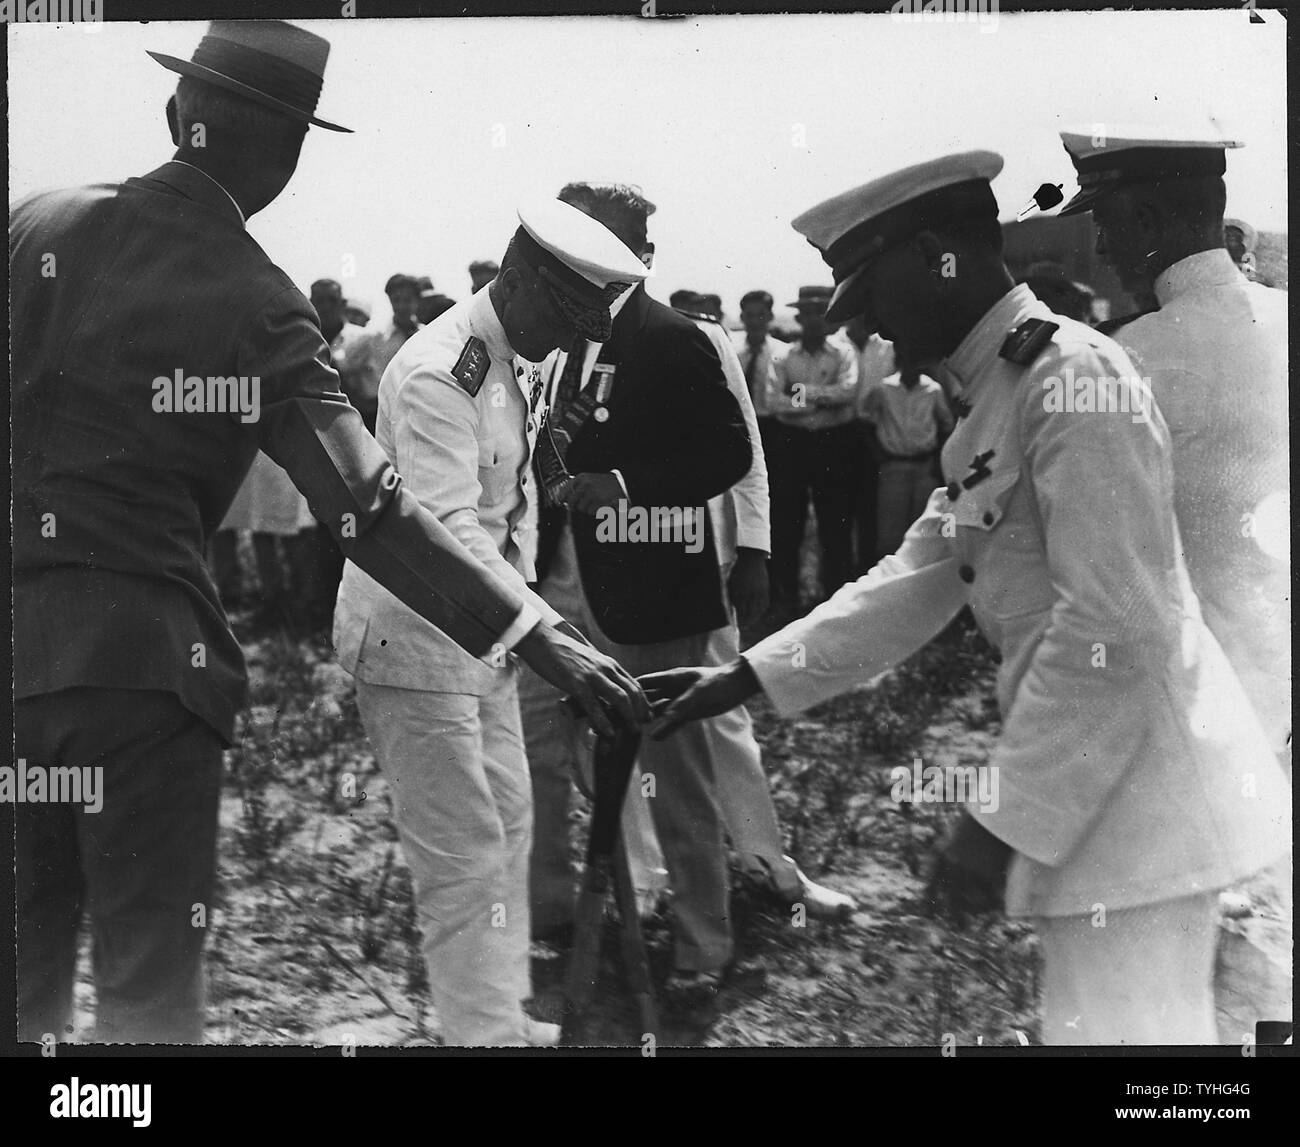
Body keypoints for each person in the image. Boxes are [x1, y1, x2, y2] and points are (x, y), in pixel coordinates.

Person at [9, 20, 646, 1046]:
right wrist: (542, 637)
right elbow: (371, 512)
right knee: (146, 991)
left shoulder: (33, 223)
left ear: (178, 114)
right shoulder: (258, 301)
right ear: (290, 157)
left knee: (21, 964)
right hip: (141, 676)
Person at [642, 150, 1290, 1045]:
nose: (864, 322)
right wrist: (742, 678)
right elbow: (919, 574)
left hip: (1146, 808)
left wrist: (999, 823)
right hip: (1109, 800)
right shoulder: (1003, 391)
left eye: (870, 288)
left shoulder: (1073, 379)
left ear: (941, 251)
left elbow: (1118, 625)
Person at [334, 198, 650, 1046]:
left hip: (489, 633)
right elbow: (447, 526)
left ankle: (499, 1016)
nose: (574, 338)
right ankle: (480, 1035)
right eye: (567, 314)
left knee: (510, 824)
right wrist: (548, 637)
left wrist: (541, 622)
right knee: (461, 853)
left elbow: (515, 498)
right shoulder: (444, 368)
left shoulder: (523, 349)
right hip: (415, 636)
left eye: (591, 324)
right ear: (518, 277)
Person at [521, 182, 752, 1006]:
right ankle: (550, 915)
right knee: (539, 753)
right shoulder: (550, 336)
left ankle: (702, 943)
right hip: (553, 588)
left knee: (673, 768)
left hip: (649, 586)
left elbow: (728, 455)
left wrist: (623, 483)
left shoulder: (672, 337)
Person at [1059, 129, 1291, 762]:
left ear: (1145, 217)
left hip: (1188, 717)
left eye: (1105, 224)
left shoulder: (1127, 357)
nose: (1102, 249)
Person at [769, 287, 860, 607]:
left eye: (822, 313)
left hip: (832, 443)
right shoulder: (782, 357)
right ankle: (786, 596)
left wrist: (802, 393)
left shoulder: (843, 353)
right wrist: (821, 398)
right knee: (787, 522)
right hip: (792, 444)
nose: (815, 320)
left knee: (835, 521)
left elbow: (848, 392)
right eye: (809, 313)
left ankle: (835, 597)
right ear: (799, 318)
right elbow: (774, 400)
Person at [862, 347, 955, 557]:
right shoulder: (883, 389)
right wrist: (878, 451)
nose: (912, 366)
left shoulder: (933, 389)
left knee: (923, 529)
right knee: (890, 533)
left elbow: (946, 425)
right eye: (907, 360)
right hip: (894, 466)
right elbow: (865, 419)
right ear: (899, 361)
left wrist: (937, 461)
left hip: (924, 467)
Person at [841, 314, 894, 572]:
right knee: (838, 507)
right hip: (838, 430)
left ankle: (866, 567)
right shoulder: (835, 344)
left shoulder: (888, 346)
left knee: (870, 506)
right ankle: (837, 573)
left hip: (875, 432)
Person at [347, 272, 423, 434]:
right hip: (380, 414)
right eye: (396, 300)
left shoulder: (427, 335)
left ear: (417, 301)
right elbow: (345, 366)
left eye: (407, 300)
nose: (402, 306)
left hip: (418, 411)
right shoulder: (374, 337)